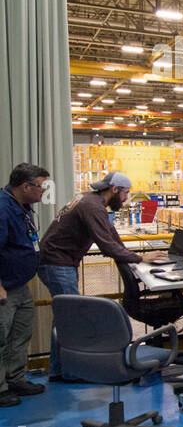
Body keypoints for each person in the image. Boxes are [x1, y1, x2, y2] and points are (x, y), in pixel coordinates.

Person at [38, 171, 166, 381]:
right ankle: (67, 372)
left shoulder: (91, 201)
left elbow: (112, 236)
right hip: (56, 263)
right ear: (114, 189)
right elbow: (106, 246)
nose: (126, 199)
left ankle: (60, 369)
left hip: (59, 261)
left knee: (64, 317)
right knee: (70, 317)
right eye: (125, 193)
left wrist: (134, 258)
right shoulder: (92, 206)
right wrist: (140, 259)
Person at [0, 163, 51, 406]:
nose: (43, 191)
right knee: (2, 336)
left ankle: (15, 378)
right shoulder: (2, 208)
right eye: (41, 186)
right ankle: (1, 388)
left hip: (19, 285)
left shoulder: (24, 207)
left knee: (20, 335)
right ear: (25, 186)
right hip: (4, 287)